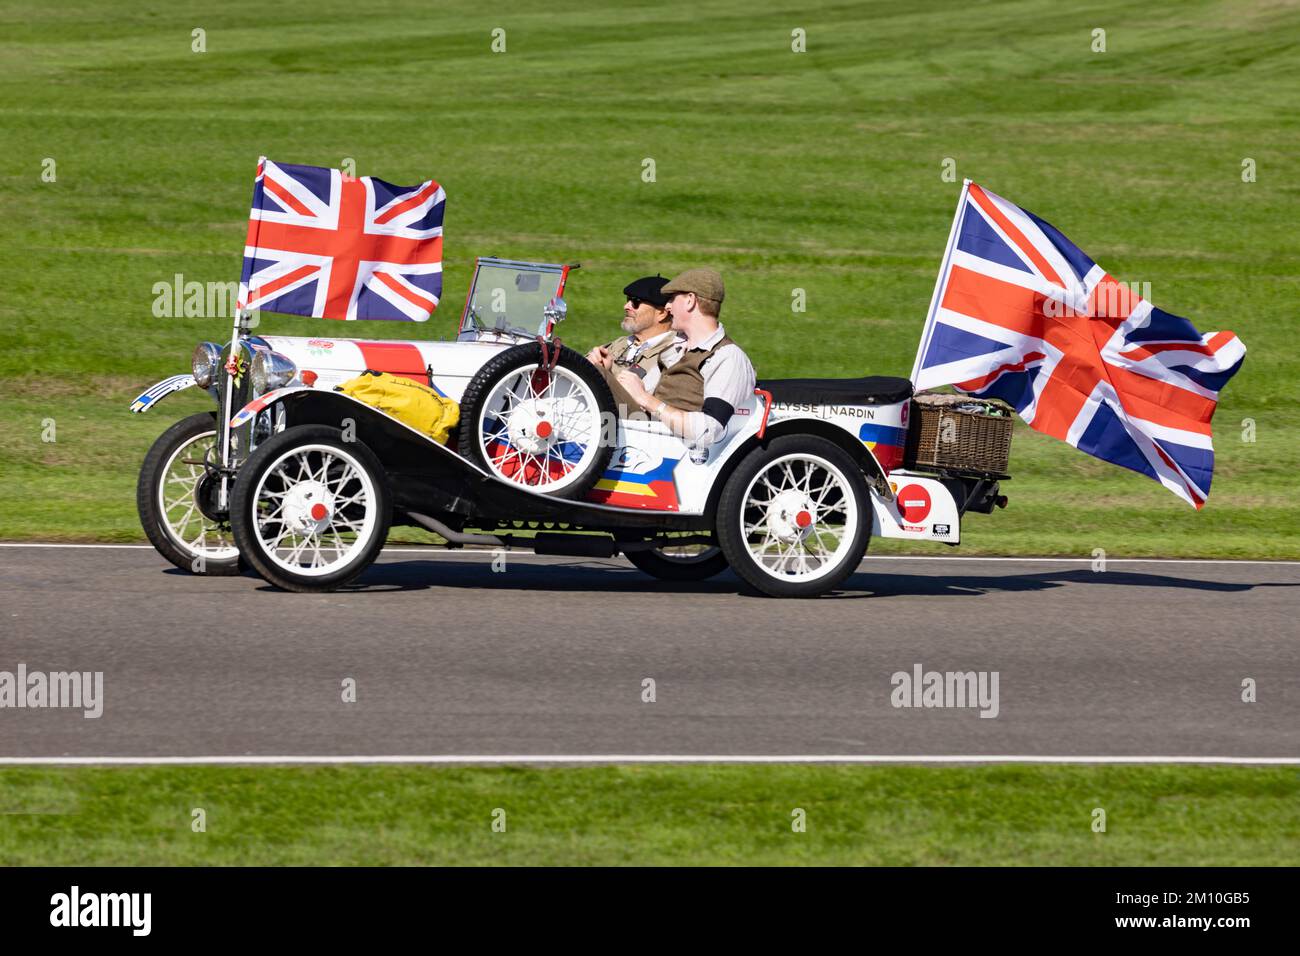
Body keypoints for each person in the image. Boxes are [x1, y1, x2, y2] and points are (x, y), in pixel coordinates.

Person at [612, 268, 756, 451]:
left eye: (672, 299)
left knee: (592, 378)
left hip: (668, 447)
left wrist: (646, 399)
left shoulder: (728, 356)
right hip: (642, 430)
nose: (668, 307)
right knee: (591, 374)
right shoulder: (676, 348)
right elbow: (646, 393)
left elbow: (708, 429)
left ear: (690, 300)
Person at [585, 275, 678, 381]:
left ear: (661, 313)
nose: (626, 306)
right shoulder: (619, 344)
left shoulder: (674, 355)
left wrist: (606, 375)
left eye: (636, 302)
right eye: (628, 299)